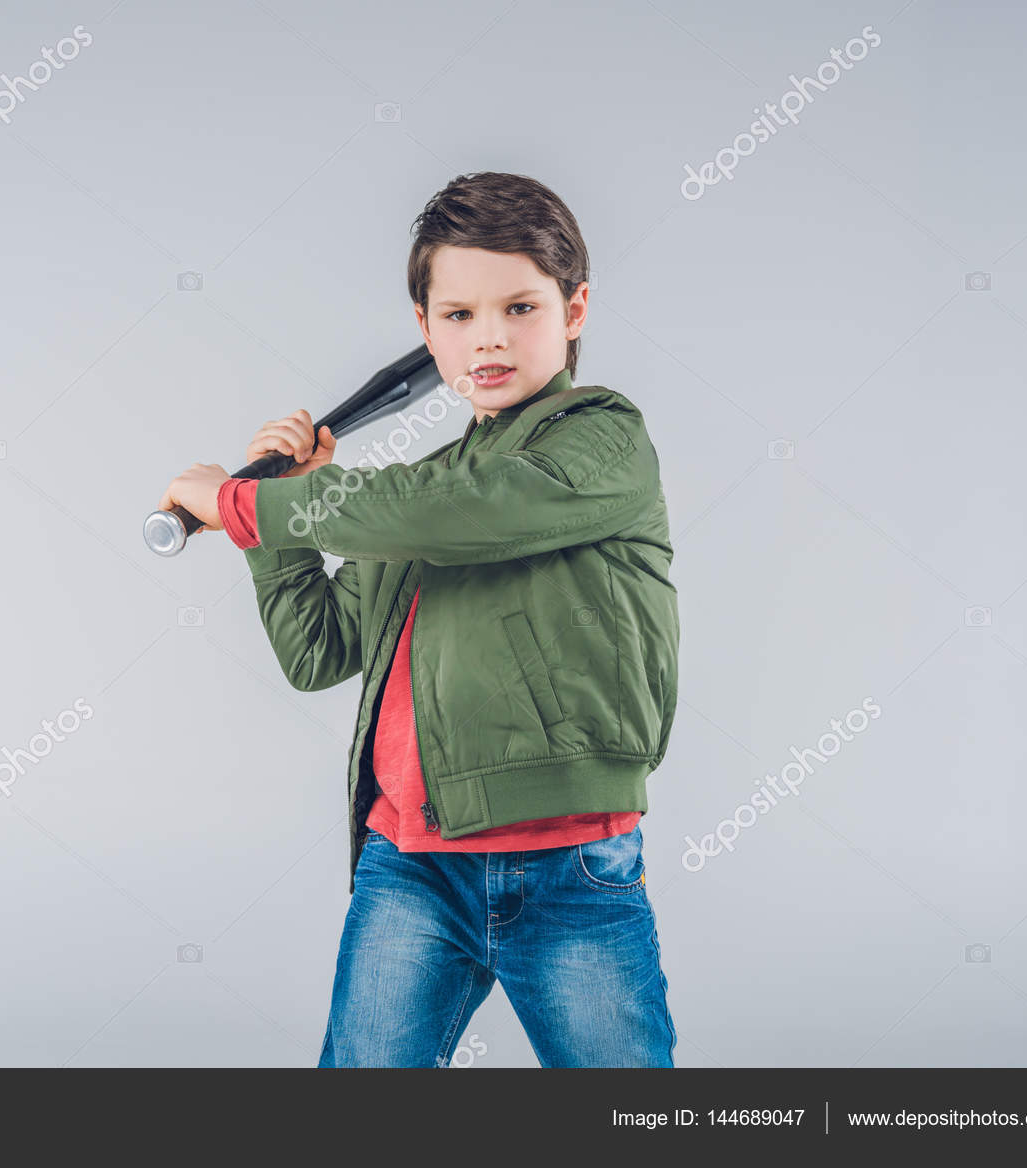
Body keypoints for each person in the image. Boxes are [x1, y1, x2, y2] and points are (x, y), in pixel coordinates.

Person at [158, 172, 680, 1068]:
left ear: (576, 307)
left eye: (520, 307)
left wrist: (246, 505)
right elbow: (320, 651)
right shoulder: (416, 495)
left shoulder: (602, 440)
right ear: (424, 330)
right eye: (458, 315)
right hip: (411, 864)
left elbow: (463, 510)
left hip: (569, 870)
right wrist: (275, 512)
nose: (490, 338)